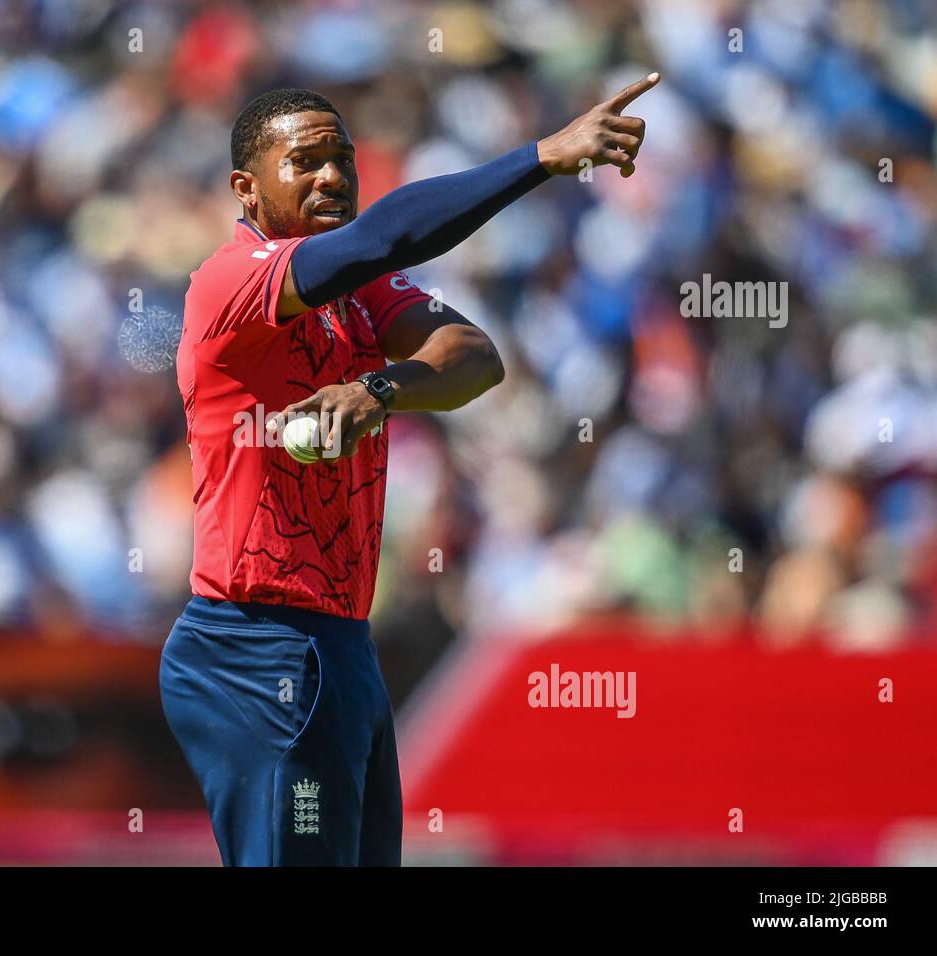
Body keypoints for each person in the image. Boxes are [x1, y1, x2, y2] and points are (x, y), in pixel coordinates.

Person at [160, 75, 659, 866]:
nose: (332, 177)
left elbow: (473, 358)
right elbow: (385, 237)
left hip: (340, 643)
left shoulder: (361, 297)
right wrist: (541, 158)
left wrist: (378, 388)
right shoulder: (229, 283)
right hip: (256, 642)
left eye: (343, 160)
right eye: (306, 162)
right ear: (246, 190)